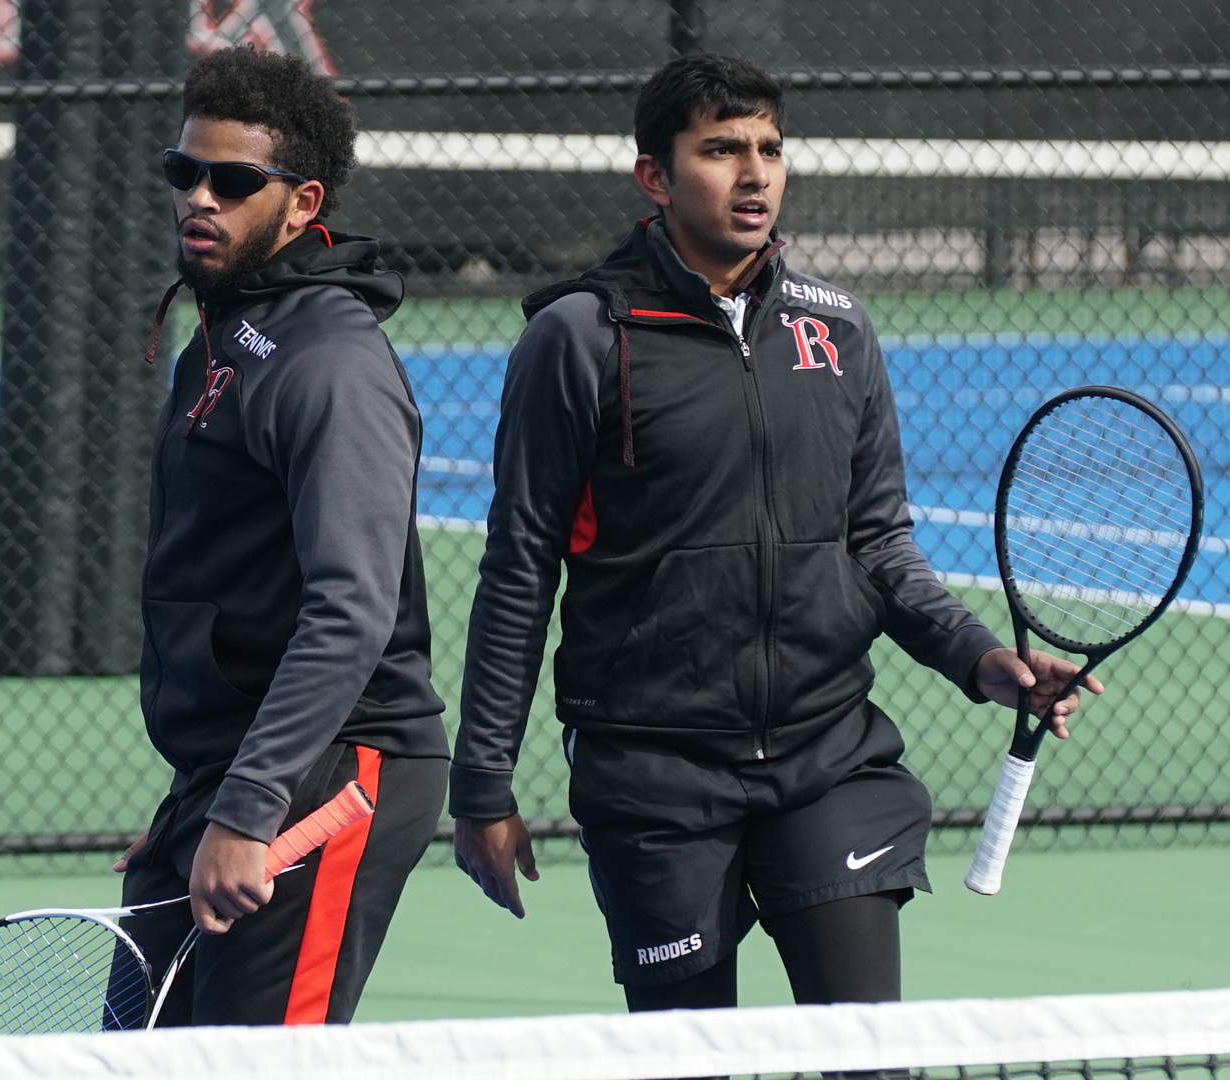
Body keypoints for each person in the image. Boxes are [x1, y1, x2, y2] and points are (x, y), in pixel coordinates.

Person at [450, 53, 1102, 1012]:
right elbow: (519, 571)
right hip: (653, 779)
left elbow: (878, 543)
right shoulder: (581, 336)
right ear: (655, 177)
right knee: (688, 1068)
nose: (754, 172)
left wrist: (981, 660)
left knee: (867, 1065)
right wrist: (482, 789)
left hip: (826, 759)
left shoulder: (838, 332)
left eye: (769, 148)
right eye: (720, 150)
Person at [112, 44, 448, 1027]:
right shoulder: (219, 328)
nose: (198, 198)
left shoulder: (331, 366)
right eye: (185, 172)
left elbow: (350, 613)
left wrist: (247, 807)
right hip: (234, 778)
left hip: (335, 772)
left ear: (301, 204)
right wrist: (197, 808)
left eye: (231, 180)